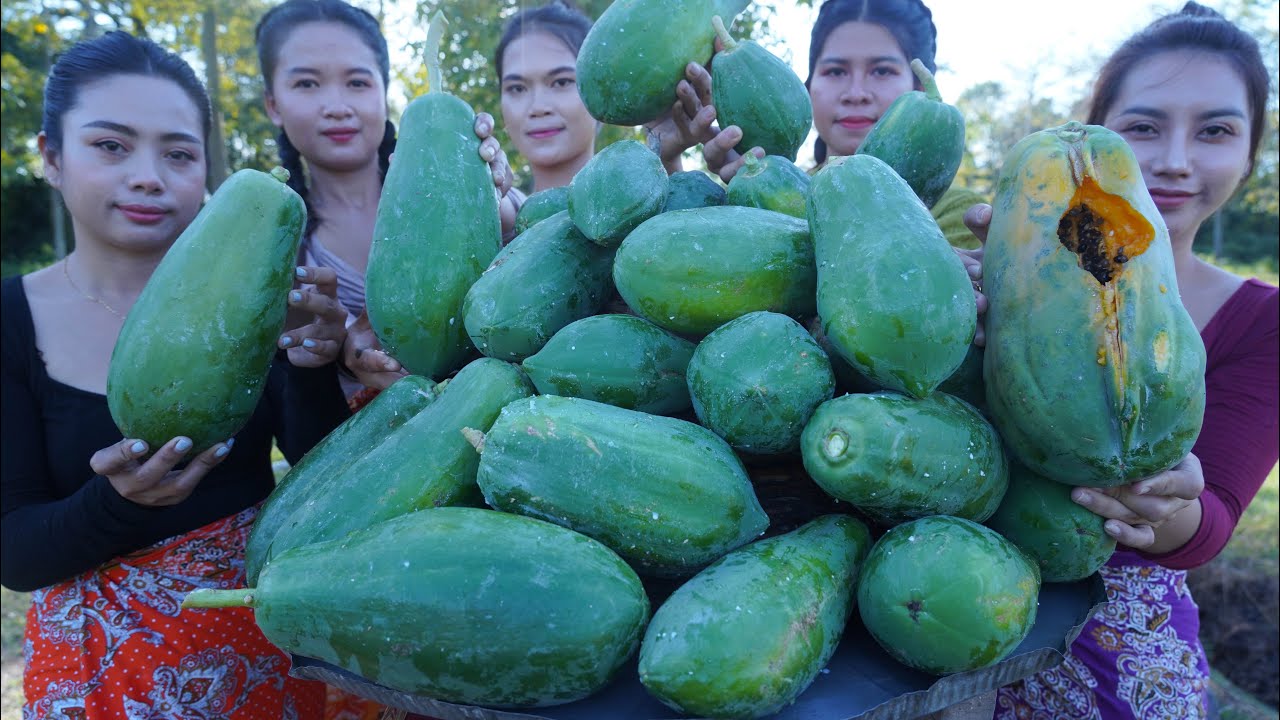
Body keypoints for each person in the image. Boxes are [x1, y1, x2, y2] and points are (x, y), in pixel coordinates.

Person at [1, 30, 351, 719]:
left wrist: (313, 365)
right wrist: (116, 505)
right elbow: (14, 553)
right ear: (50, 156)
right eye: (110, 146)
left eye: (179, 154)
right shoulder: (9, 317)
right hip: (103, 685)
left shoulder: (254, 291)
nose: (148, 176)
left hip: (269, 659)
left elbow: (321, 472)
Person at [986, 4, 1278, 718]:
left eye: (1215, 131)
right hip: (964, 623)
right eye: (1143, 127)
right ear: (1093, 143)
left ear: (1251, 152)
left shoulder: (1267, 320)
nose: (1175, 159)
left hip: (1121, 656)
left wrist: (1161, 506)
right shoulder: (1005, 269)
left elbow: (1212, 522)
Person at [254, 0, 514, 399]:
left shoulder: (461, 186)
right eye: (307, 83)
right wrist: (332, 359)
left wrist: (502, 214)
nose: (337, 107)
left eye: (357, 83)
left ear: (383, 91)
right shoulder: (275, 250)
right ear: (273, 104)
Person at [703, 0, 984, 250]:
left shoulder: (960, 214)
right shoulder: (751, 189)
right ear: (808, 85)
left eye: (882, 71)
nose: (856, 92)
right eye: (835, 71)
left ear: (920, 87)